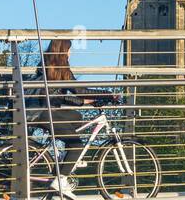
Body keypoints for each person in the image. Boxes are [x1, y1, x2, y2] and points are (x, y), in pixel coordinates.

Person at [27, 39, 119, 191]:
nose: (71, 52)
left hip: (44, 111)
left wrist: (86, 102)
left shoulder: (48, 66)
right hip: (46, 113)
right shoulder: (61, 68)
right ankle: (60, 178)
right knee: (77, 145)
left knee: (77, 117)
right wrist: (107, 94)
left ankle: (65, 162)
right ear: (63, 51)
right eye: (69, 49)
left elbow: (61, 96)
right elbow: (80, 91)